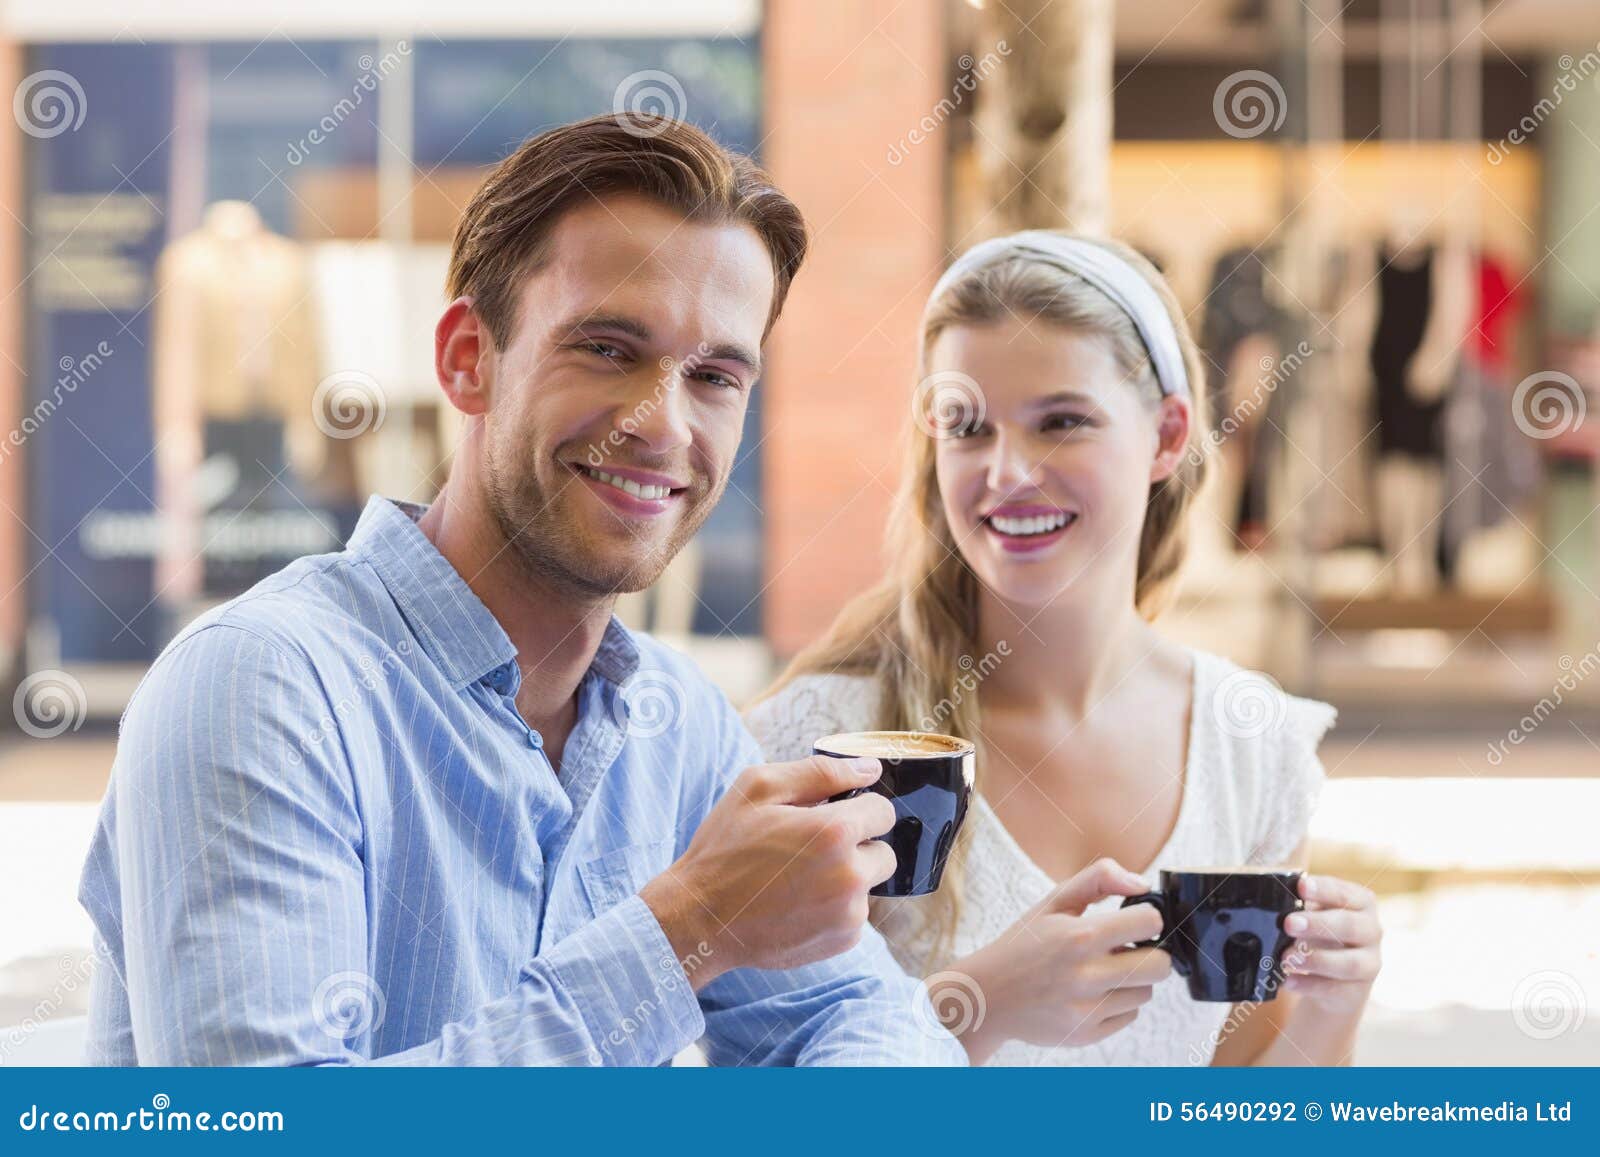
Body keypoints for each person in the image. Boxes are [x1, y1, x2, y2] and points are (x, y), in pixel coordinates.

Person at [77, 113, 964, 1067]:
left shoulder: (680, 724)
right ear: (468, 357)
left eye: (713, 375)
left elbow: (871, 1021)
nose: (662, 425)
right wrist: (689, 924)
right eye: (610, 349)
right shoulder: (262, 686)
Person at [746, 231, 1382, 1065]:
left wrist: (1334, 1010)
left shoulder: (1251, 744)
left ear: (1165, 436)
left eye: (1061, 422)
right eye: (968, 427)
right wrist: (981, 1005)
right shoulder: (826, 744)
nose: (1008, 470)